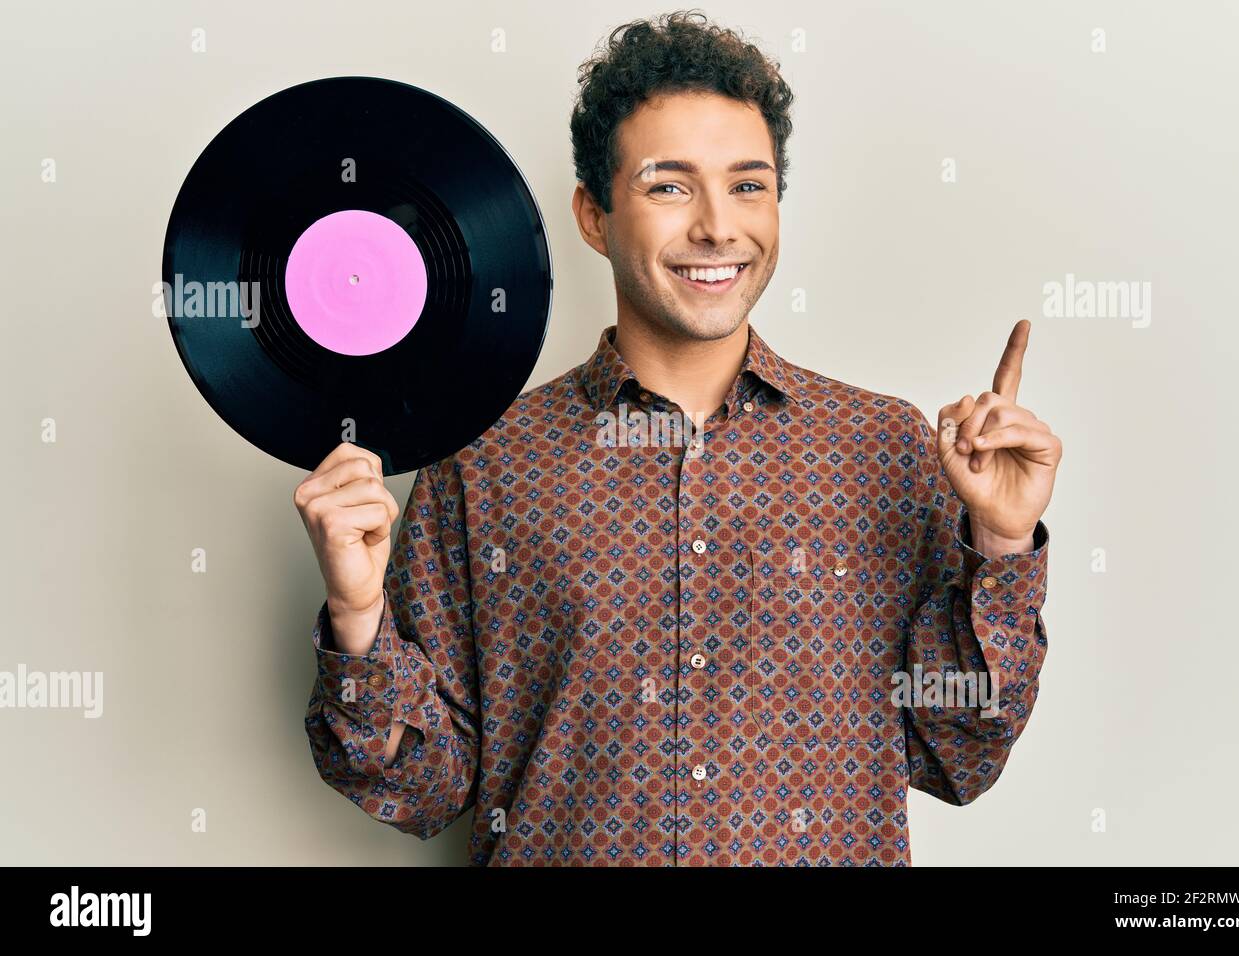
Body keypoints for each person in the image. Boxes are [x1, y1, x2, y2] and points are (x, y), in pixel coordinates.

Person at [294, 10, 1061, 866]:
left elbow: (959, 752)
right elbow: (423, 788)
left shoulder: (885, 449)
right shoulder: (486, 461)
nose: (717, 227)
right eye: (669, 186)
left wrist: (999, 542)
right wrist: (359, 618)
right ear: (594, 216)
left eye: (748, 184)